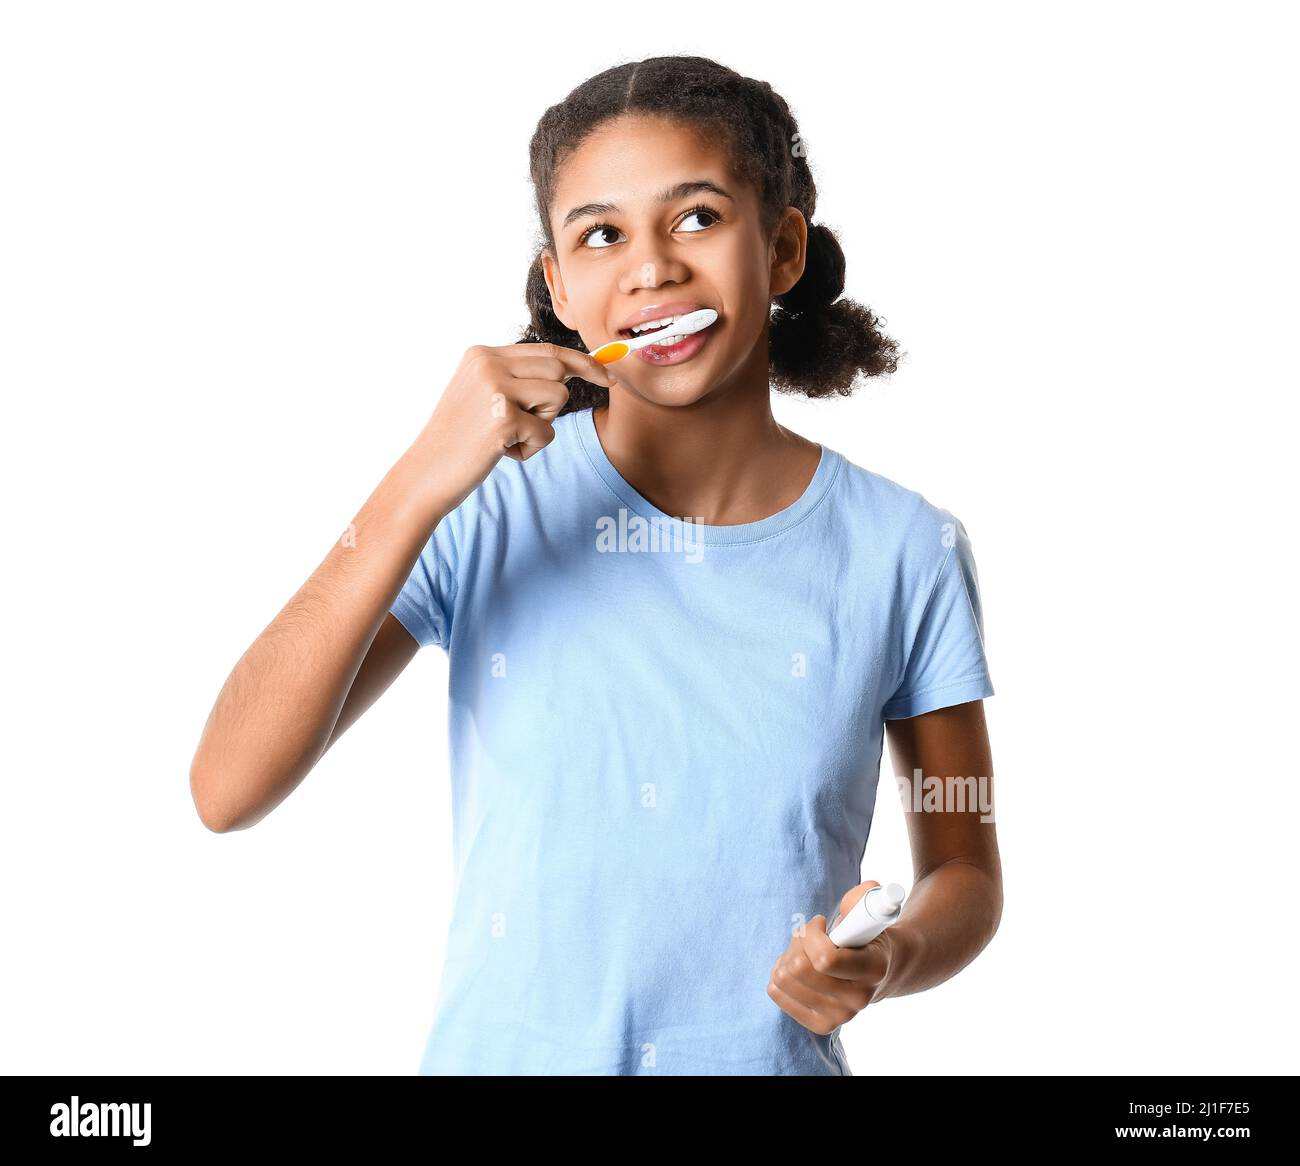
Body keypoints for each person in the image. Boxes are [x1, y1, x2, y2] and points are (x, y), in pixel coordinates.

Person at [190, 55, 1002, 1076]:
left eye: (696, 217)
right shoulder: (482, 506)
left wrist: (887, 956)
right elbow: (226, 786)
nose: (651, 267)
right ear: (559, 288)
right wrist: (419, 476)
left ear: (783, 247)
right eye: (602, 235)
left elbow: (963, 864)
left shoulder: (904, 549)